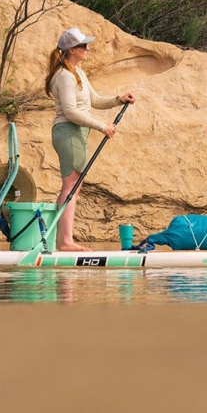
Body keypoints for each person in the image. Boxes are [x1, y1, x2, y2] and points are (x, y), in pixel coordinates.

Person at [45, 27, 135, 251]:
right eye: (84, 45)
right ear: (73, 50)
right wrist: (102, 126)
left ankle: (62, 240)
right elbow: (70, 112)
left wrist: (118, 99)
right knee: (70, 187)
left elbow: (94, 100)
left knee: (73, 187)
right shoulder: (65, 76)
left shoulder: (78, 72)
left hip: (76, 133)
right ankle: (65, 242)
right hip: (68, 131)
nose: (88, 48)